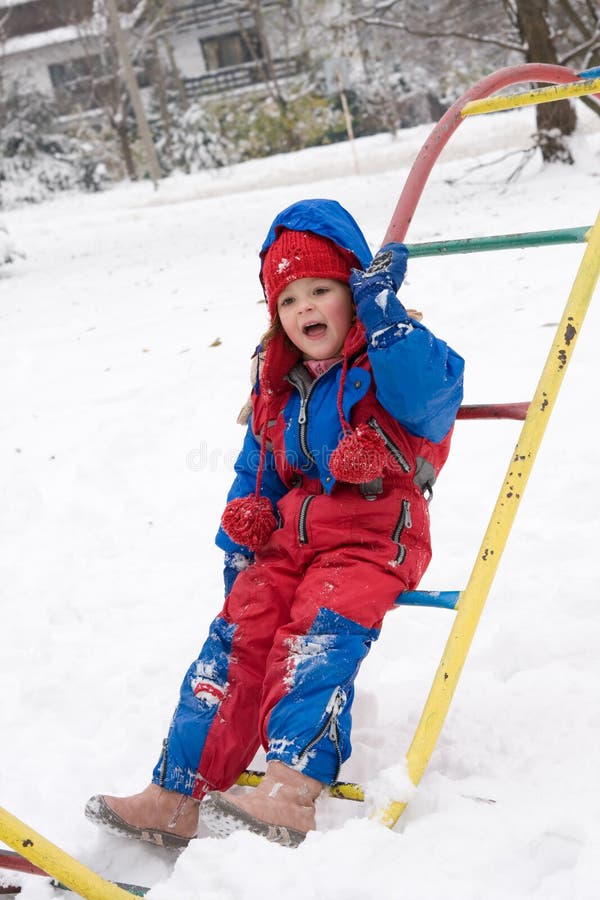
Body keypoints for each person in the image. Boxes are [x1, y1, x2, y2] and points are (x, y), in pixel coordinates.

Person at [85, 198, 464, 849]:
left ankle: (290, 787)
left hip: (376, 540)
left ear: (353, 289)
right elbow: (257, 467)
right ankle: (178, 790)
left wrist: (387, 321)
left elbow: (434, 400)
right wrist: (239, 539)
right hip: (293, 541)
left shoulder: (391, 359)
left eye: (322, 290)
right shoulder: (277, 380)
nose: (305, 309)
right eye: (288, 299)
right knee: (236, 636)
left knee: (314, 633)